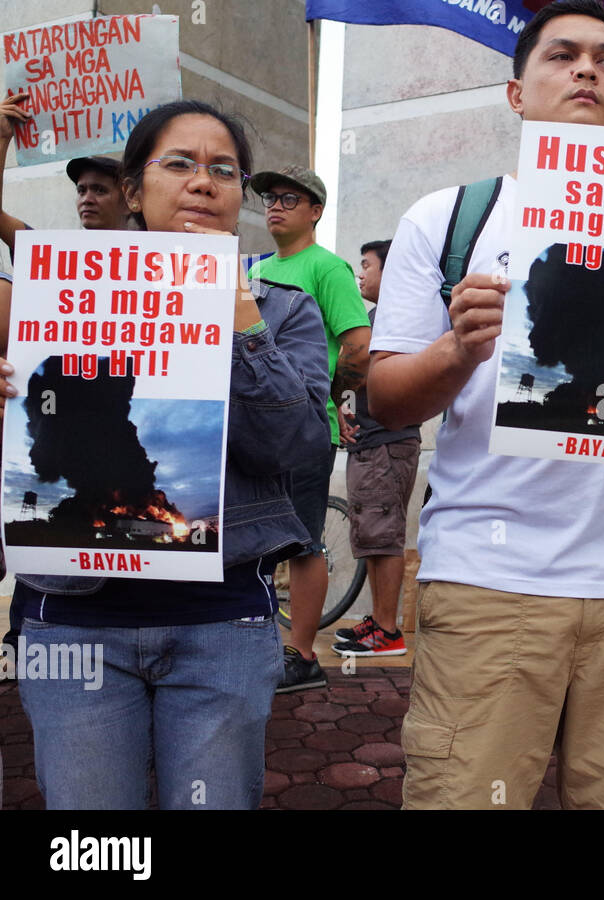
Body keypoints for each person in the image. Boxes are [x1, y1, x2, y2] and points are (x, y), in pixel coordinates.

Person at [367, 0, 604, 809]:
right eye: (562, 55)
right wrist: (457, 349)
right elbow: (387, 400)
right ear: (516, 93)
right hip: (487, 581)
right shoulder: (447, 218)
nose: (587, 70)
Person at [1, 99, 332, 809]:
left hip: (222, 627)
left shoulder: (282, 309)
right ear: (132, 189)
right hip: (72, 623)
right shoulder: (55, 295)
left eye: (224, 170)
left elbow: (293, 445)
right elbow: (43, 447)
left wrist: (242, 325)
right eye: (178, 163)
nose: (202, 182)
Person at [247, 165, 372, 691]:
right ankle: (258, 644)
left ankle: (302, 655)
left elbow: (359, 346)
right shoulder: (255, 270)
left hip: (302, 430)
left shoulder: (328, 268)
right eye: (270, 198)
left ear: (316, 211)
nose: (275, 205)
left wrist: (339, 399)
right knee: (254, 536)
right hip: (252, 430)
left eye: (290, 198)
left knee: (302, 541)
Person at [332, 239, 420, 656]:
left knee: (382, 535)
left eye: (367, 265)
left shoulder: (398, 319)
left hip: (385, 444)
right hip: (375, 443)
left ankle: (387, 631)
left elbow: (367, 373)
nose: (360, 273)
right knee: (372, 532)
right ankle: (379, 622)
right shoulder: (379, 317)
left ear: (392, 270)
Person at [0, 93, 133, 258]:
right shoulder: (56, 255)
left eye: (100, 190)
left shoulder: (152, 256)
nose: (87, 199)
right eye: (81, 190)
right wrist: (2, 138)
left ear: (129, 203)